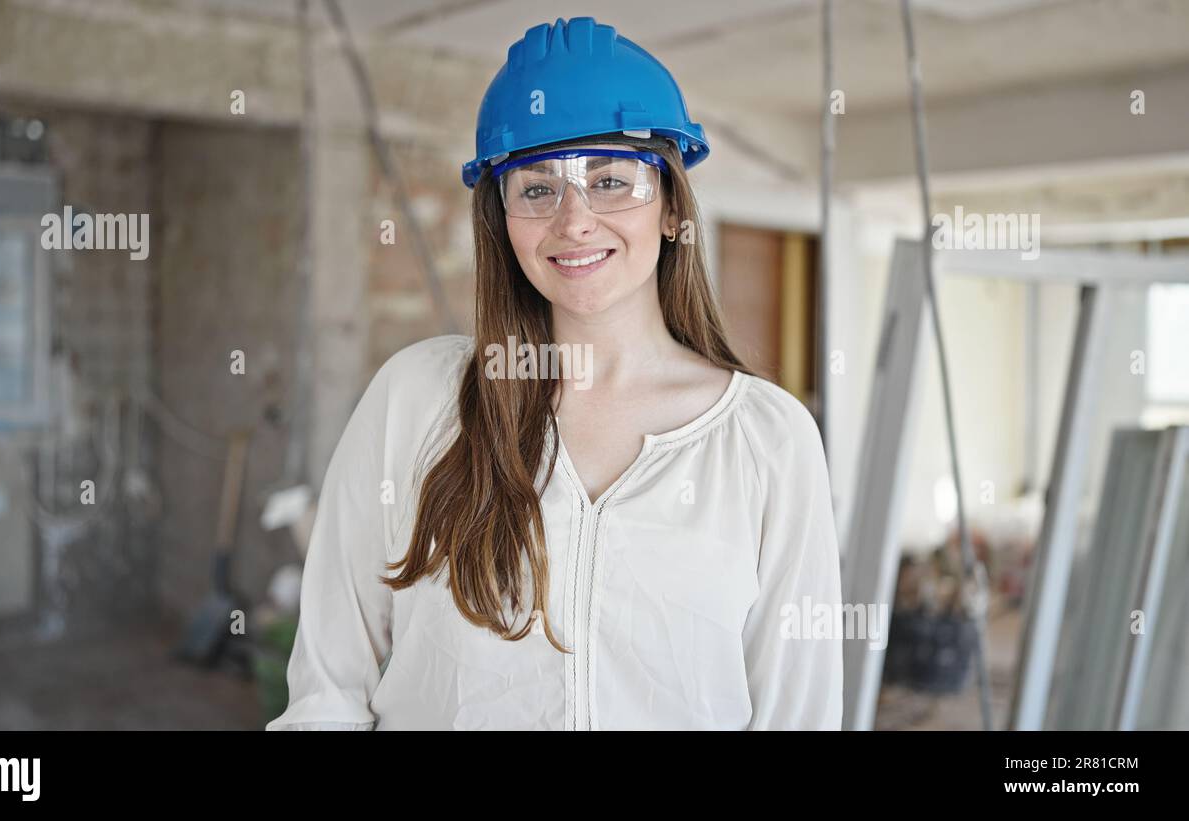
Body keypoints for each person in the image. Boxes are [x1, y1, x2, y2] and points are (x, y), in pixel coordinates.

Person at [266, 16, 842, 731]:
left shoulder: (769, 441)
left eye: (609, 180)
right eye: (537, 189)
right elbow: (326, 690)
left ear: (669, 208)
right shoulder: (415, 400)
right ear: (500, 219)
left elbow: (800, 715)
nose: (574, 220)